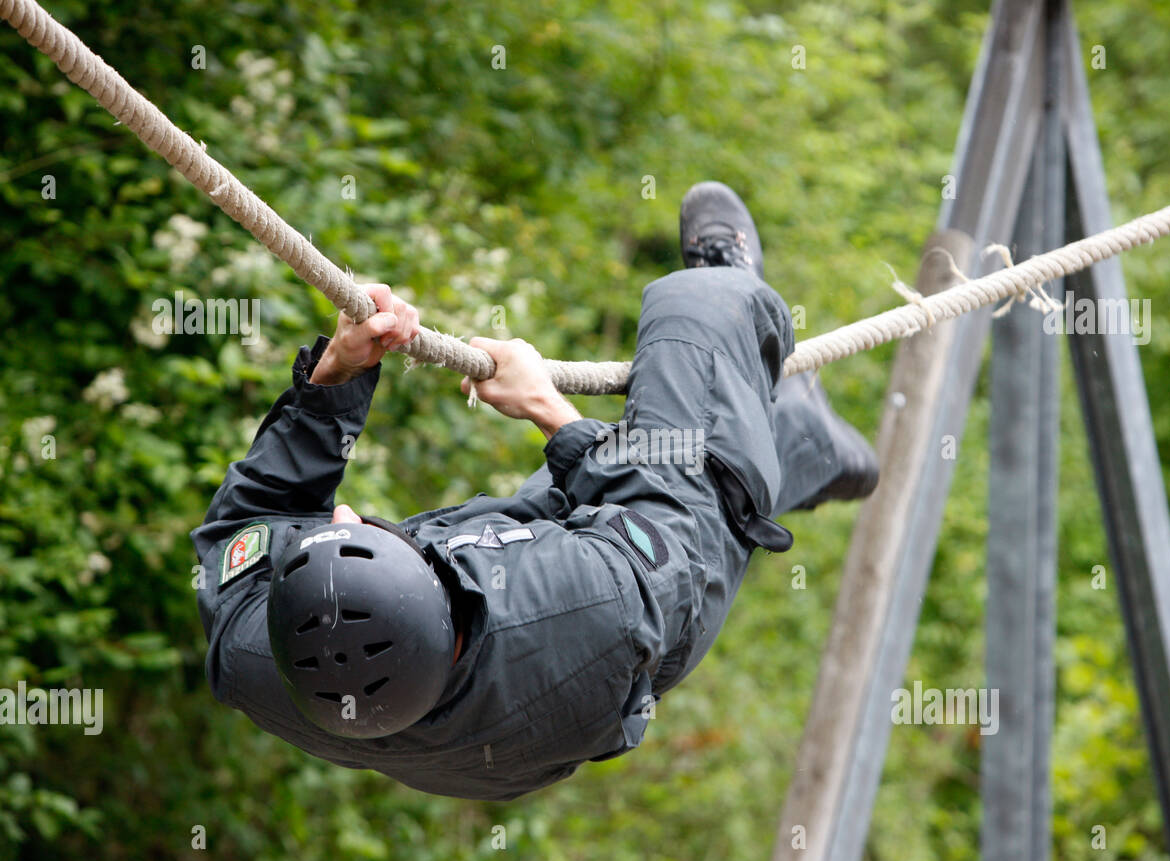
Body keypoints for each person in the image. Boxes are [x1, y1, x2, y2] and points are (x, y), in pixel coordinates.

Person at [191, 182, 878, 801]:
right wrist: (545, 405)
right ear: (435, 591)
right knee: (689, 348)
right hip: (654, 594)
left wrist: (338, 372)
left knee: (589, 470)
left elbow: (244, 530)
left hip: (480, 726)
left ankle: (801, 439)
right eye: (365, 530)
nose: (339, 515)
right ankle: (751, 339)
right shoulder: (582, 597)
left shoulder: (262, 656)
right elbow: (661, 510)